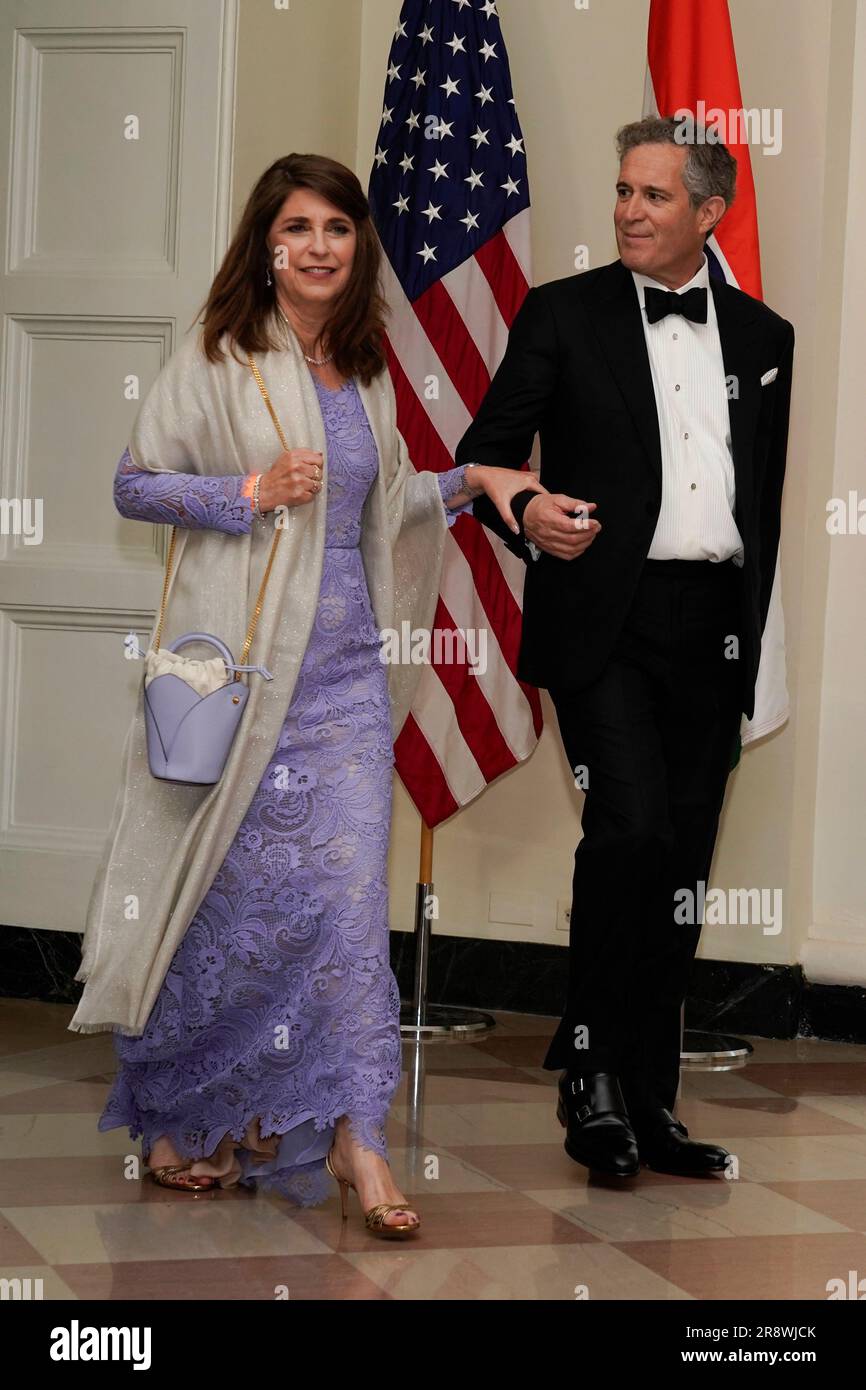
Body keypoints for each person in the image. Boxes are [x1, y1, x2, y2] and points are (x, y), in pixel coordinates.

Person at [70, 153, 539, 1232]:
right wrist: (245, 491)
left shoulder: (367, 368)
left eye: (337, 226)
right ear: (266, 243)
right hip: (242, 684)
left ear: (355, 244)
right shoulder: (216, 351)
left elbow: (384, 516)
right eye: (298, 227)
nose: (319, 246)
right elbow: (132, 483)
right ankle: (191, 1106)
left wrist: (473, 479)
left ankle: (357, 1138)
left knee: (342, 910)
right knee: (223, 913)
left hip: (343, 690)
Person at [457, 116, 795, 1178]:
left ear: (708, 211)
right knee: (629, 834)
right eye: (621, 191)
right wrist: (527, 513)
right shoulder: (561, 314)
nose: (627, 211)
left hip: (713, 633)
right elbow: (484, 454)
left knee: (682, 863)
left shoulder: (763, 338)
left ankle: (651, 1098)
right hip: (603, 621)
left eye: (653, 196)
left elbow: (762, 502)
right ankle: (589, 1077)